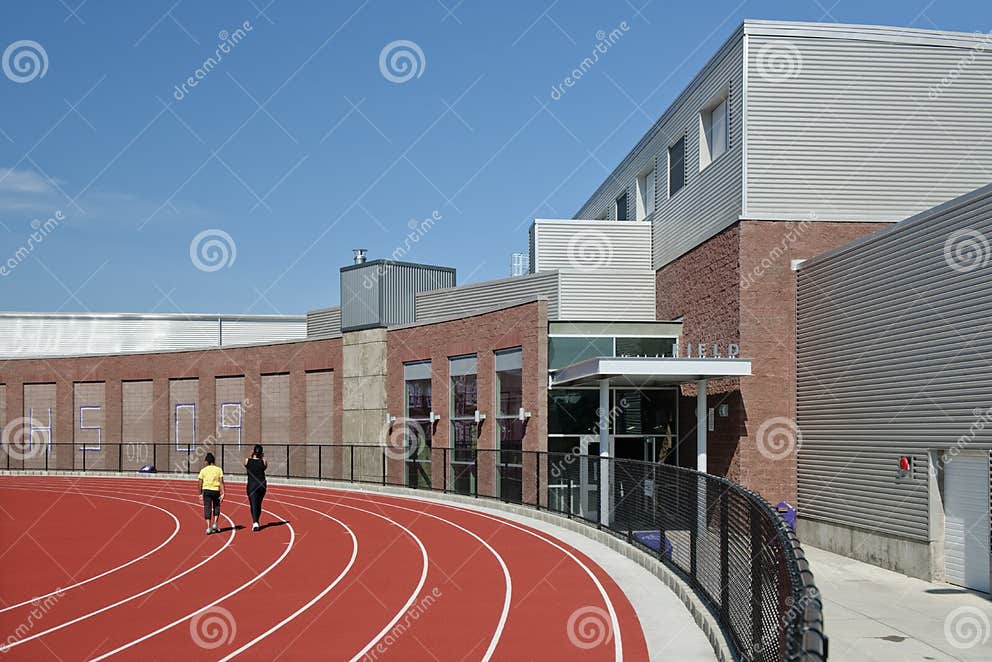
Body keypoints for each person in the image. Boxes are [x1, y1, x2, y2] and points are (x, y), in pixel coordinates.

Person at [197, 453, 224, 535]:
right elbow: (221, 482)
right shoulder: (219, 469)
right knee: (216, 506)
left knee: (207, 508)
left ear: (207, 461)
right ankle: (215, 523)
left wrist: (200, 494)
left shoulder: (203, 470)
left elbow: (200, 483)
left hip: (207, 490)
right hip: (216, 490)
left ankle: (208, 527)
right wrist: (223, 493)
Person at [244, 444, 268, 531]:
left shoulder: (247, 461)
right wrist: (261, 457)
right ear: (262, 453)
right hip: (262, 485)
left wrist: (252, 455)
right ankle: (256, 521)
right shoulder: (264, 461)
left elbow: (246, 463)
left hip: (252, 485)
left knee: (253, 504)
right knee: (258, 504)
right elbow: (264, 466)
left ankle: (255, 522)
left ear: (253, 452)